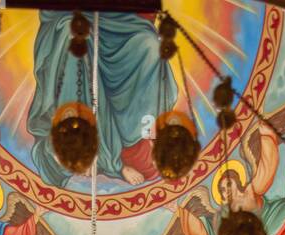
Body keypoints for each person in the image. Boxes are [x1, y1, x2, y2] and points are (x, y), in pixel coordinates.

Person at [27, 12, 175, 187]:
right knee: (71, 34)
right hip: (77, 17)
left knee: (150, 46)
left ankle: (141, 136)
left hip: (116, 23)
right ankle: (78, 143)